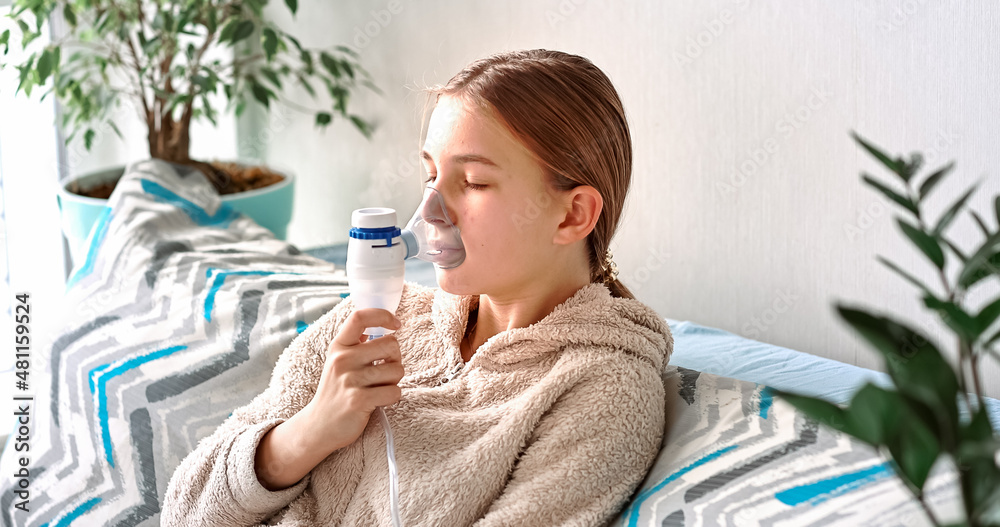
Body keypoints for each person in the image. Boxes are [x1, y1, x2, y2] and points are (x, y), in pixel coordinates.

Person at [162, 48, 673, 526]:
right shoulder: (375, 322)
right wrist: (309, 431)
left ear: (571, 214)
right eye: (430, 175)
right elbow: (184, 510)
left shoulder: (602, 390)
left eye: (472, 182)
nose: (429, 211)